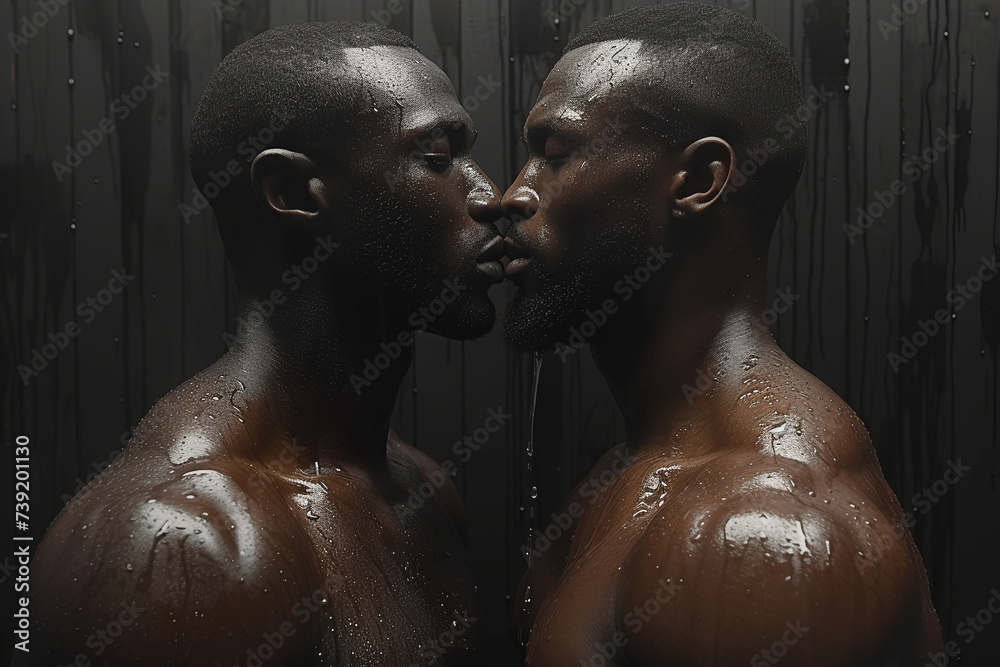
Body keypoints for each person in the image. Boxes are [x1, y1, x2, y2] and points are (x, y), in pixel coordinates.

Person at [32, 21, 503, 666]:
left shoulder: (421, 488)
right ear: (290, 193)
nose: (491, 195)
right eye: (438, 156)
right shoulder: (178, 545)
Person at [501, 4, 943, 665]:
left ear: (701, 180)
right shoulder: (628, 470)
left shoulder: (758, 531)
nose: (510, 195)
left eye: (557, 154)